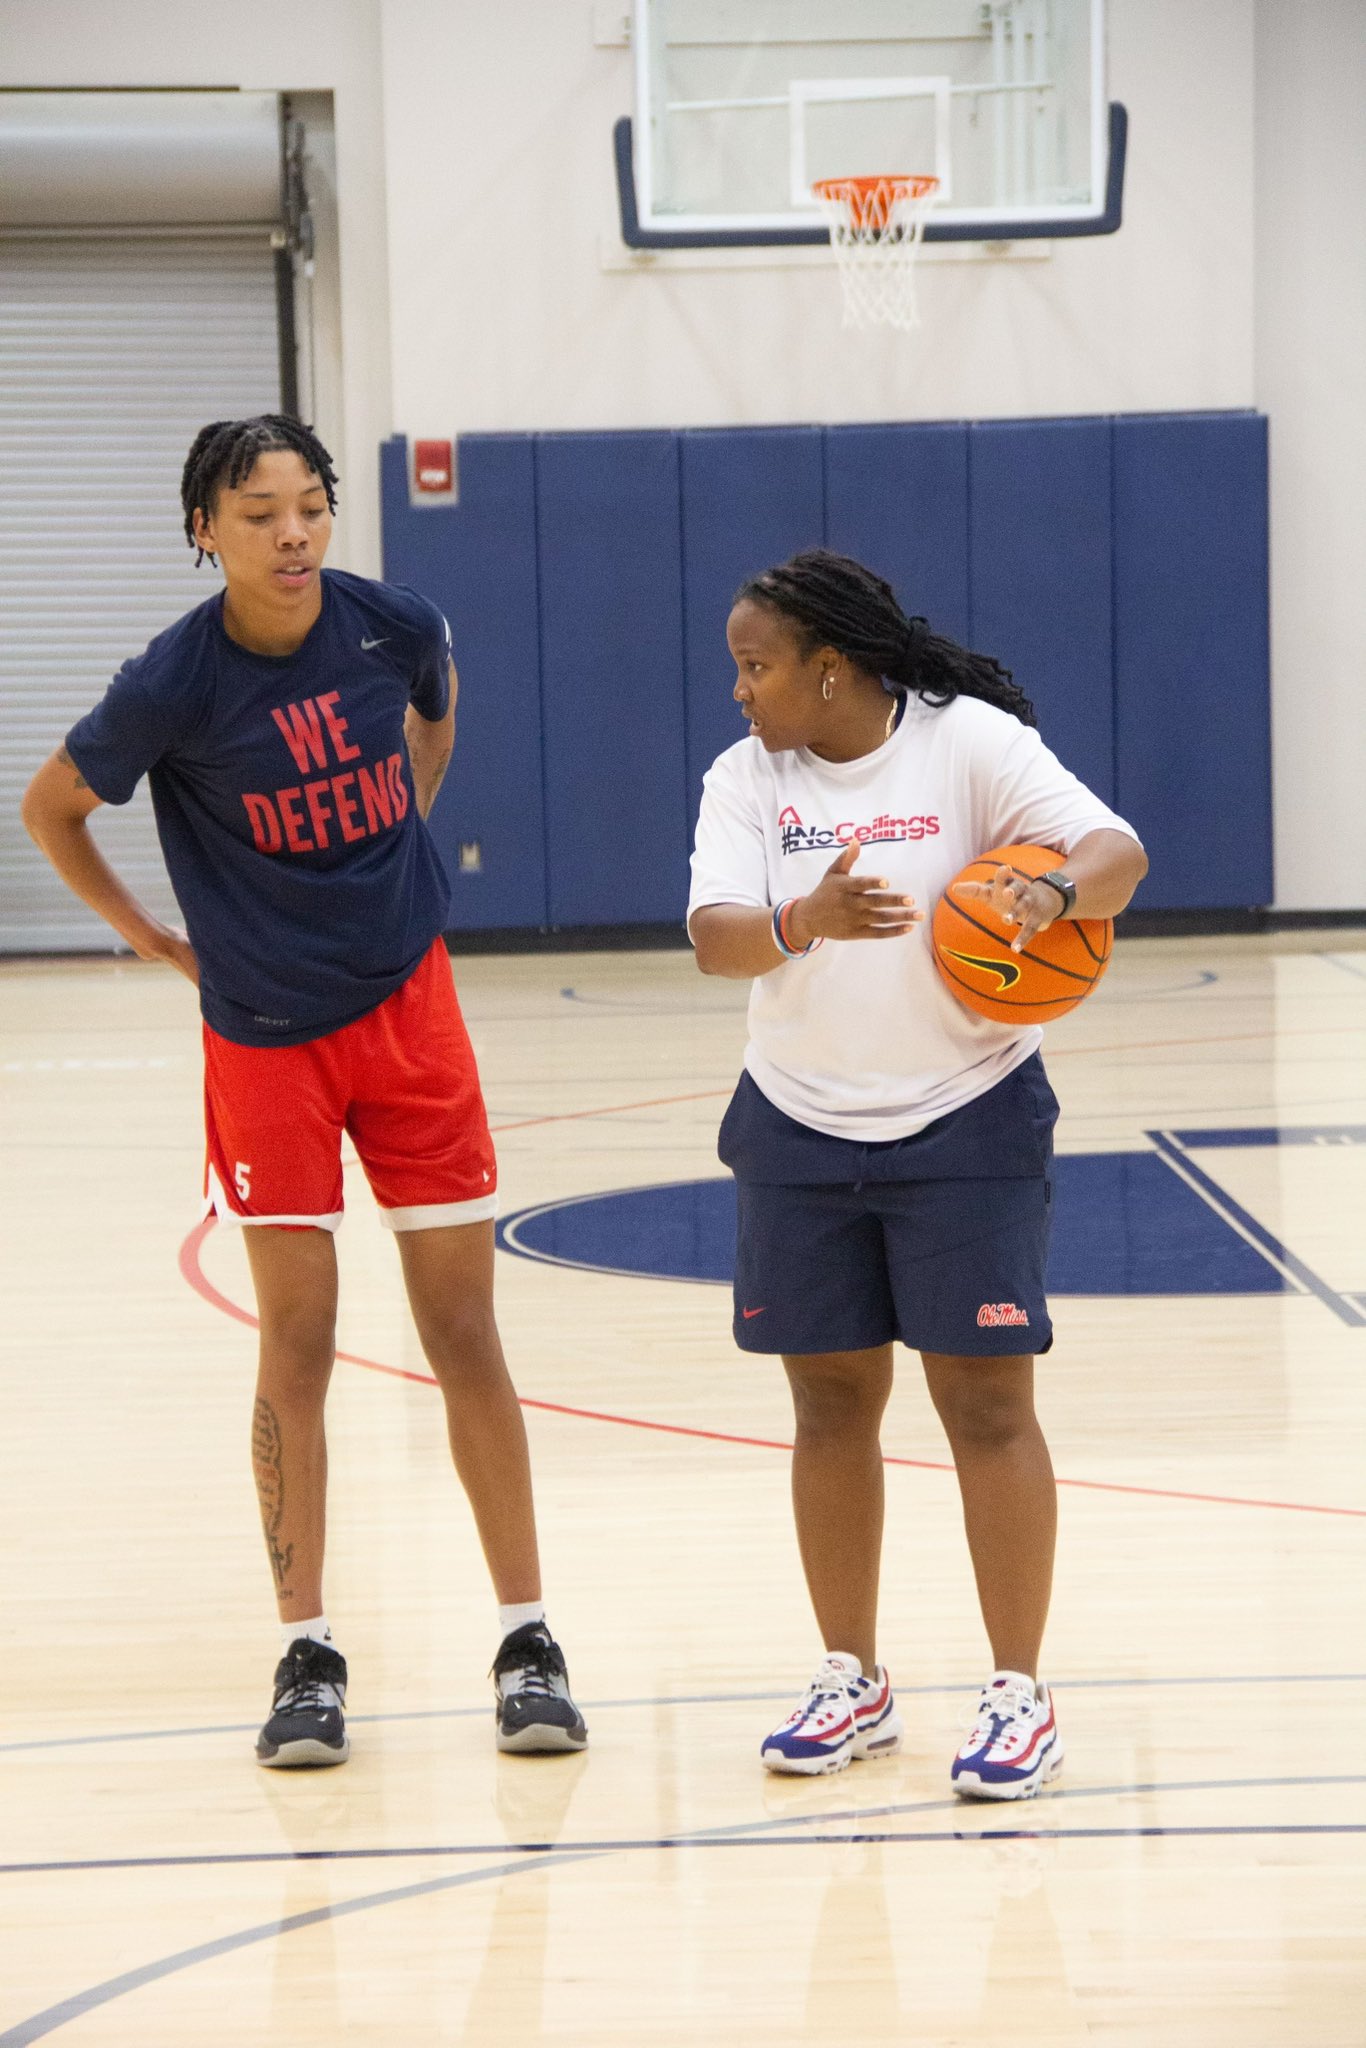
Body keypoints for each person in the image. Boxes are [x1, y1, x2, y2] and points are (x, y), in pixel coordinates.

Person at [21, 415, 585, 1769]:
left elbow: (434, 715)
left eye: (310, 506)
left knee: (464, 1327)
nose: (291, 533)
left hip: (409, 1014)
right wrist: (151, 938)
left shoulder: (394, 625)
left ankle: (527, 1636)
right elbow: (52, 806)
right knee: (302, 1342)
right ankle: (308, 1650)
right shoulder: (171, 682)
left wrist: (407, 822)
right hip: (265, 1039)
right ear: (203, 531)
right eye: (258, 510)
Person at [687, 550, 1147, 1799]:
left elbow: (1118, 851)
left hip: (968, 1116)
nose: (738, 689)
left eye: (755, 664)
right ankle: (854, 1675)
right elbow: (713, 938)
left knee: (986, 1410)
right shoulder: (747, 778)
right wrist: (804, 921)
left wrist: (1050, 890)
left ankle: (1017, 1692)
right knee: (829, 1408)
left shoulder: (968, 745)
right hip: (796, 1121)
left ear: (828, 667)